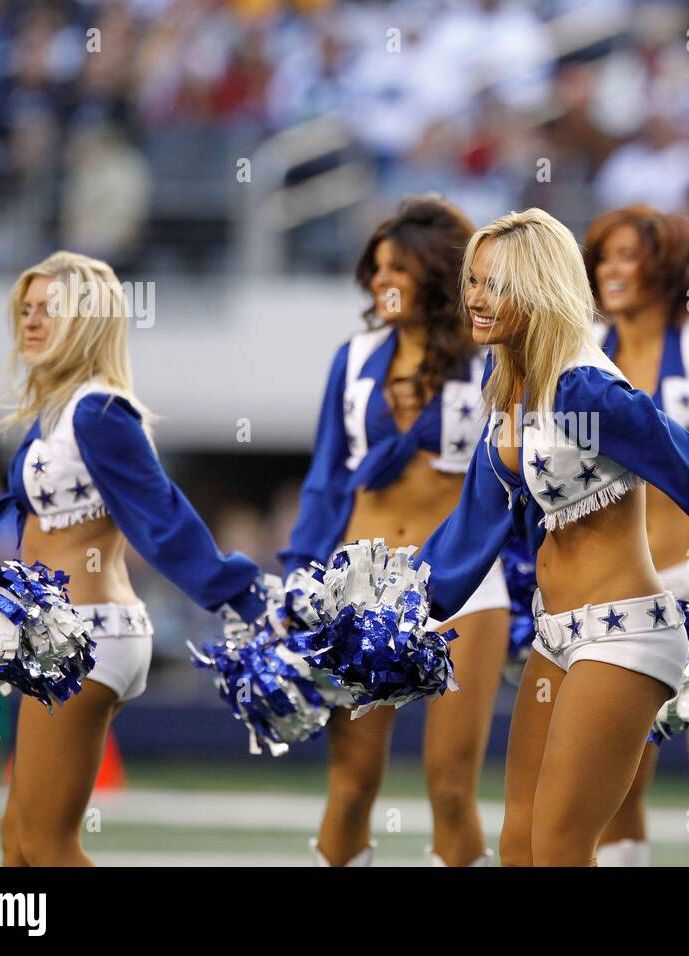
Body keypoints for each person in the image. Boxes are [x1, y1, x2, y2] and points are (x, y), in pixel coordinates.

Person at [414, 207, 689, 866]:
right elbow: (473, 525)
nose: (476, 300)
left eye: (495, 284)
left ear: (539, 288)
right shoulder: (511, 386)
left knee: (562, 845)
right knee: (520, 841)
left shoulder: (584, 387)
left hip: (624, 632)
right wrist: (390, 614)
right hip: (554, 633)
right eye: (474, 282)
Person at [0, 251, 272, 866]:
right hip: (53, 637)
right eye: (25, 310)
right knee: (18, 843)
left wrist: (238, 592)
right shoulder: (58, 412)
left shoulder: (99, 411)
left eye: (48, 311)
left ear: (85, 321)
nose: (30, 323)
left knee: (46, 843)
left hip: (88, 635)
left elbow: (161, 518)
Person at [279, 197, 510, 868]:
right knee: (351, 786)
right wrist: (299, 574)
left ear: (437, 276)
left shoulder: (491, 360)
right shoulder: (352, 360)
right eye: (376, 266)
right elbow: (326, 480)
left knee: (450, 787)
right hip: (360, 586)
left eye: (399, 268)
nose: (383, 281)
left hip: (462, 586)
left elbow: (514, 480)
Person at [584, 205, 689, 867]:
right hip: (620, 583)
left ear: (667, 265)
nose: (612, 269)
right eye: (603, 256)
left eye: (628, 255)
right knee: (617, 776)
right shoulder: (584, 347)